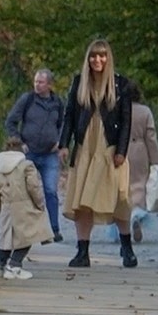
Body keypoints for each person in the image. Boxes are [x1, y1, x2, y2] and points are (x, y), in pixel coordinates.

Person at [58, 38, 135, 269]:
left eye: (101, 55)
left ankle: (127, 247)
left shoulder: (120, 84)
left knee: (119, 199)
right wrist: (64, 143)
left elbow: (126, 120)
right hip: (85, 148)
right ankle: (82, 251)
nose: (97, 60)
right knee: (82, 200)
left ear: (108, 58)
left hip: (109, 148)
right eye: (93, 56)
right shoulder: (80, 82)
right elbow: (70, 114)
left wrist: (121, 151)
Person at [5, 68, 64, 242]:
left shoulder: (58, 103)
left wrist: (60, 141)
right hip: (29, 152)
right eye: (36, 82)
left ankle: (54, 228)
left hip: (49, 154)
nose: (37, 85)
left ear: (49, 84)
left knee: (50, 191)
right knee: (27, 191)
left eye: (41, 82)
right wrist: (19, 142)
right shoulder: (27, 99)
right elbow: (11, 121)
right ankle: (29, 228)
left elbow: (63, 124)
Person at [0, 134, 53, 279]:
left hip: (6, 208)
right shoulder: (26, 166)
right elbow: (34, 187)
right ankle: (14, 265)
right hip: (24, 205)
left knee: (6, 237)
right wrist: (40, 204)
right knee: (28, 235)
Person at [123, 82, 158, 244]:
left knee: (123, 186)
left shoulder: (119, 110)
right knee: (140, 184)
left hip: (122, 150)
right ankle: (137, 215)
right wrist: (156, 160)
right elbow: (151, 138)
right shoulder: (145, 112)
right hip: (140, 150)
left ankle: (125, 217)